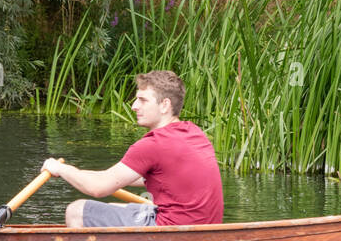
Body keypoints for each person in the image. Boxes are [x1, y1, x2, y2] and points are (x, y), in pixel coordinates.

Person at [42, 70, 223, 228]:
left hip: (173, 231)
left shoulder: (153, 144)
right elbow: (150, 179)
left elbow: (98, 188)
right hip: (203, 229)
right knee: (117, 207)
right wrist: (79, 174)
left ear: (165, 105)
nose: (134, 106)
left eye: (142, 100)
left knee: (76, 210)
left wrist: (61, 169)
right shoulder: (194, 132)